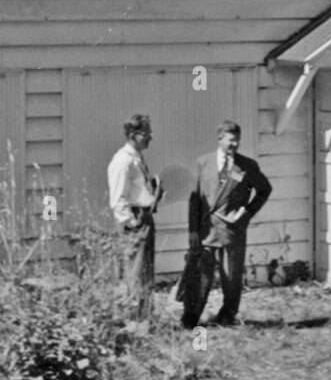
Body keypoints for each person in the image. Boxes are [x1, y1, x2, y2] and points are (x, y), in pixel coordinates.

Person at [182, 120, 272, 328]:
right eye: (231, 140)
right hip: (205, 231)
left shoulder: (246, 166)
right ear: (220, 138)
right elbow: (195, 199)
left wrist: (247, 213)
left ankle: (227, 315)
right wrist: (193, 230)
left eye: (238, 141)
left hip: (232, 231)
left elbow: (264, 190)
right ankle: (190, 318)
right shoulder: (202, 163)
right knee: (199, 277)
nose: (235, 145)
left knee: (231, 277)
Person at [107, 113, 163, 321]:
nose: (150, 137)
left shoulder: (137, 158)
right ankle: (133, 320)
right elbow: (117, 199)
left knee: (145, 270)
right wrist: (132, 223)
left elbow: (138, 190)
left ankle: (145, 318)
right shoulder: (122, 161)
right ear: (132, 135)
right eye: (146, 133)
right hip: (135, 221)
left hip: (145, 218)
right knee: (134, 271)